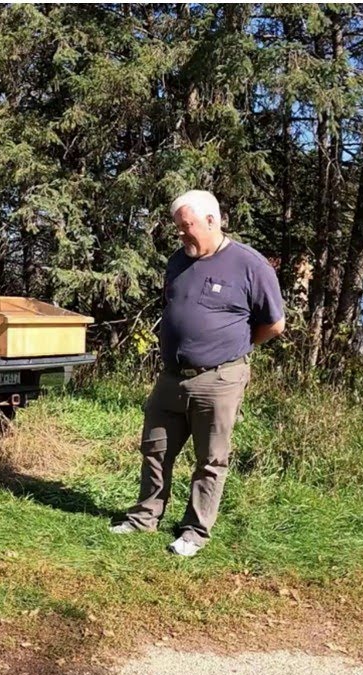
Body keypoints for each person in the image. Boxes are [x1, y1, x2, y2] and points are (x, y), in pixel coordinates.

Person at [110, 190, 284, 557]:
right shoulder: (178, 261)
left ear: (212, 220)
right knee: (155, 448)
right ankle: (145, 517)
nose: (180, 234)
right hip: (172, 376)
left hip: (219, 379)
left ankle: (194, 531)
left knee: (210, 459)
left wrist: (235, 347)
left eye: (186, 226)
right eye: (177, 227)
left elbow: (274, 324)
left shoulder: (250, 265)